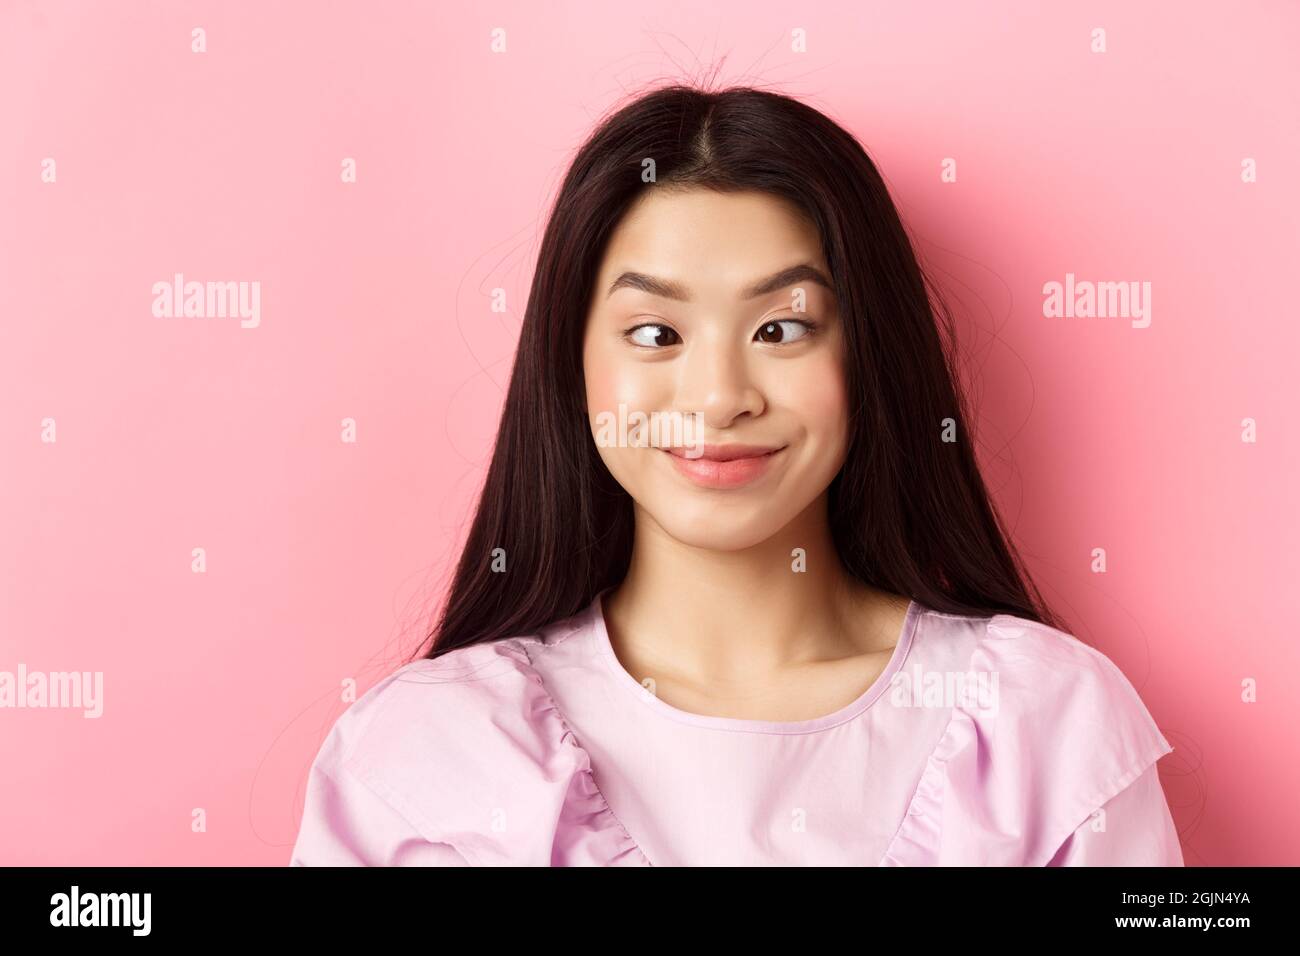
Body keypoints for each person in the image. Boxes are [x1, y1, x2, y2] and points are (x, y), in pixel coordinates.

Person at [290, 84, 1182, 866]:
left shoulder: (1041, 722)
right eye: (655, 334)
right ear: (572, 362)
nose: (718, 399)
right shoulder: (423, 755)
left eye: (781, 329)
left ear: (868, 355)